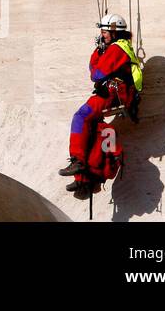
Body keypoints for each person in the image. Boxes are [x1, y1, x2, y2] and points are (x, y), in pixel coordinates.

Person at [59, 13, 143, 195]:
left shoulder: (116, 50)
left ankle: (77, 160)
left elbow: (95, 74)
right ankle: (83, 178)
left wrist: (98, 53)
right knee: (94, 128)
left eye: (104, 32)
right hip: (116, 93)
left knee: (80, 117)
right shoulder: (118, 47)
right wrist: (99, 51)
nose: (102, 35)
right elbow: (95, 71)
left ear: (114, 32)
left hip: (113, 93)